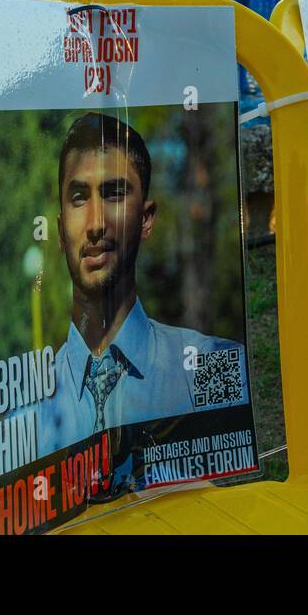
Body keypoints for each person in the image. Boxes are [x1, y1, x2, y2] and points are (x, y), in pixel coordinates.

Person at [35, 112, 249, 459]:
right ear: (60, 230)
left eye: (114, 194)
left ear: (146, 219)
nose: (95, 224)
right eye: (78, 197)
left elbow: (233, 493)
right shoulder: (29, 409)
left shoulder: (218, 365)